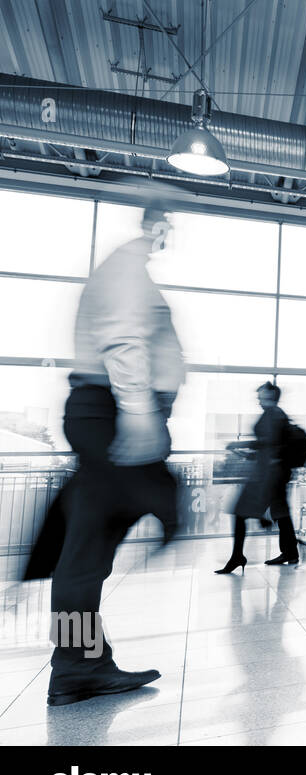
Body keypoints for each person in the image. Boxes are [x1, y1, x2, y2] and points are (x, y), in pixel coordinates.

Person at [44, 201, 185, 705]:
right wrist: (140, 410)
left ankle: (81, 665)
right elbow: (123, 339)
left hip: (106, 409)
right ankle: (77, 668)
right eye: (169, 223)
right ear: (156, 225)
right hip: (111, 409)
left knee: (87, 553)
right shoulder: (126, 266)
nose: (171, 232)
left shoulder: (127, 267)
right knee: (87, 553)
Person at [220, 382, 301, 572]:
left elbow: (266, 443)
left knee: (241, 512)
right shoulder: (274, 414)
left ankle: (238, 556)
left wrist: (239, 444)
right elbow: (269, 446)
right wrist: (250, 454)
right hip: (272, 472)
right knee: (281, 514)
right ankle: (290, 552)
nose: (258, 398)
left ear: (271, 395)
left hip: (268, 475)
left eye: (261, 395)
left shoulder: (274, 414)